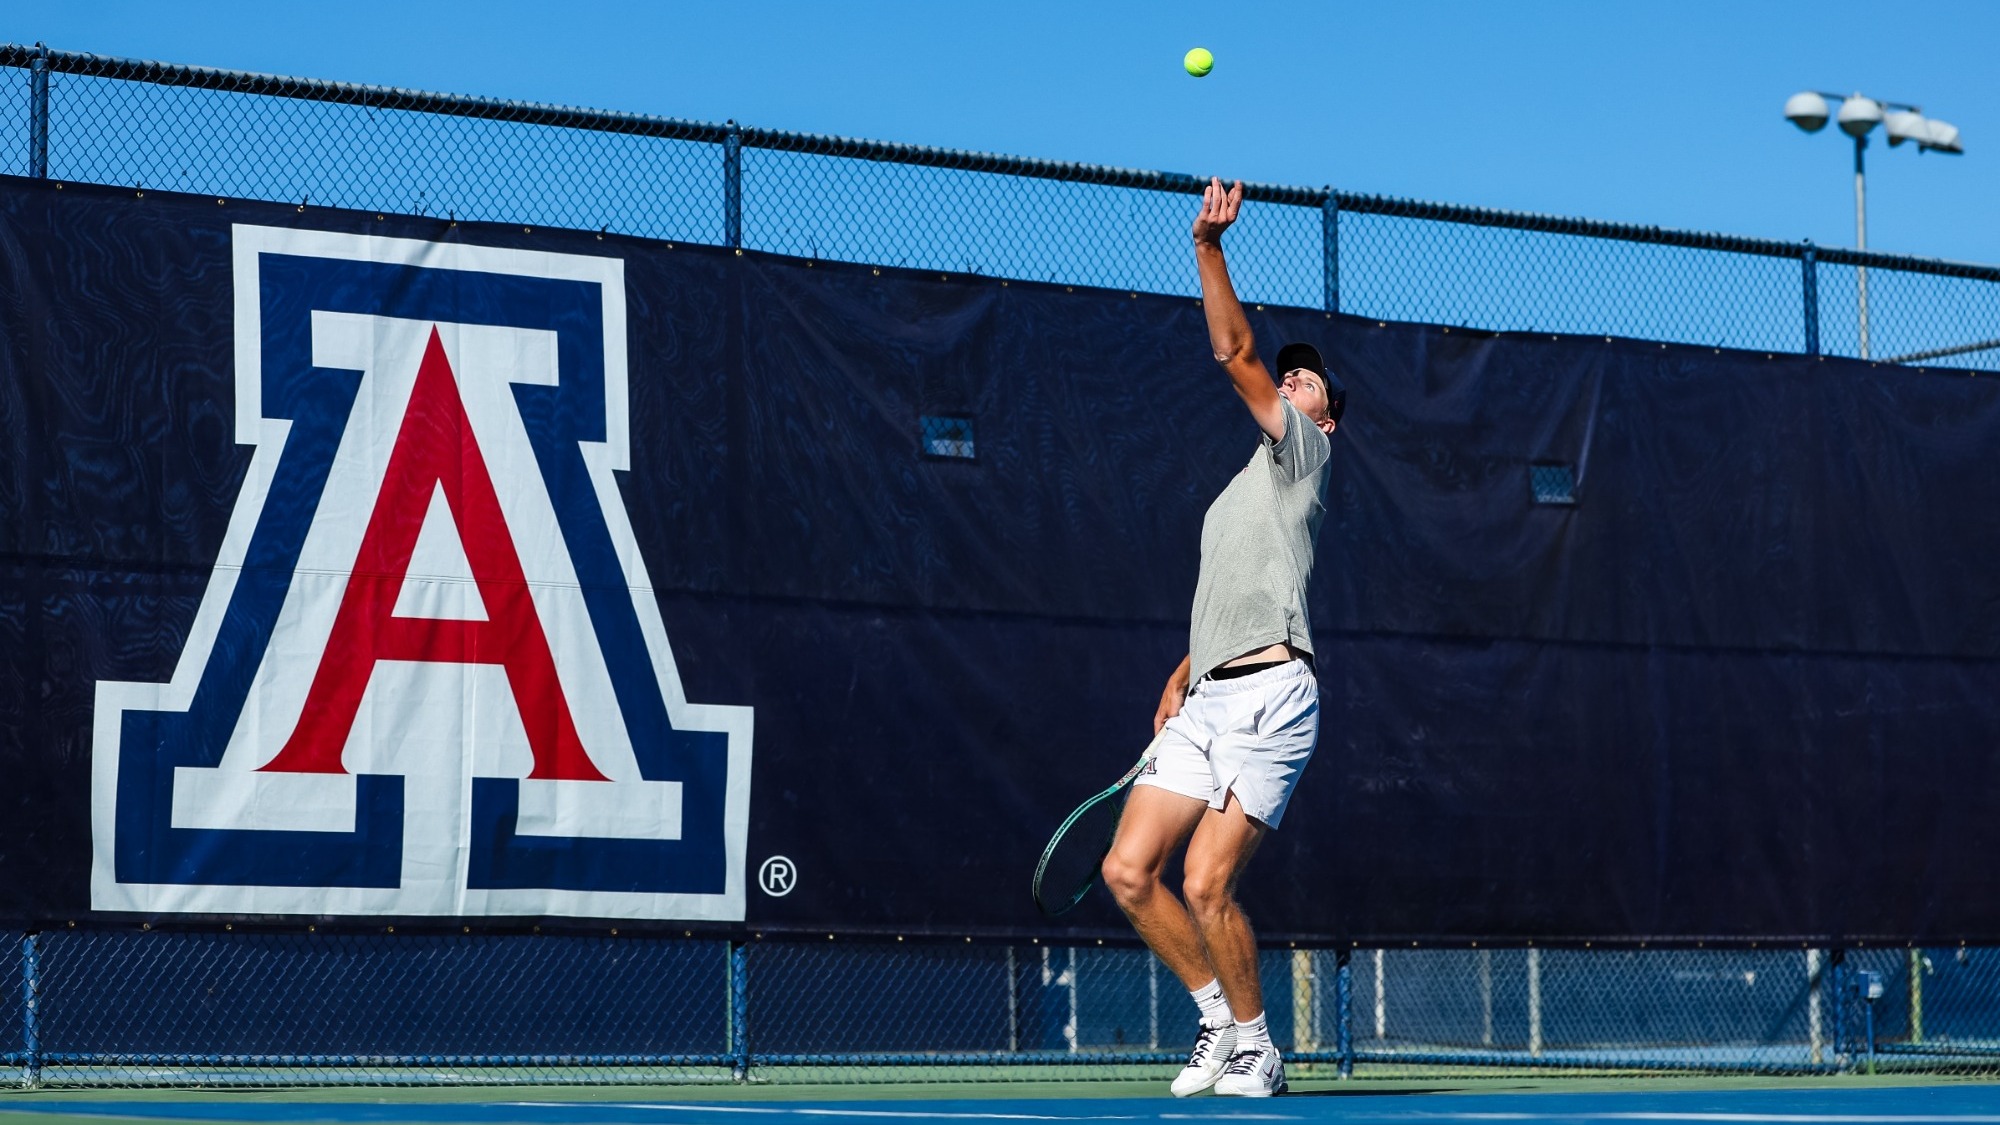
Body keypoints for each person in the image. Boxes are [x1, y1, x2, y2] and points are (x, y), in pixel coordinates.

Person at [1099, 177, 1343, 1098]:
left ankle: (1259, 1046)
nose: (1290, 374)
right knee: (1128, 871)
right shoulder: (1240, 494)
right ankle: (1214, 1023)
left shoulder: (1305, 456)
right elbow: (1231, 600)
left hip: (1274, 700)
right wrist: (1181, 674)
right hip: (1207, 697)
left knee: (1205, 881)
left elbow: (1232, 347)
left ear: (1323, 418)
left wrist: (1207, 245)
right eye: (1293, 370)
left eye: (1307, 378)